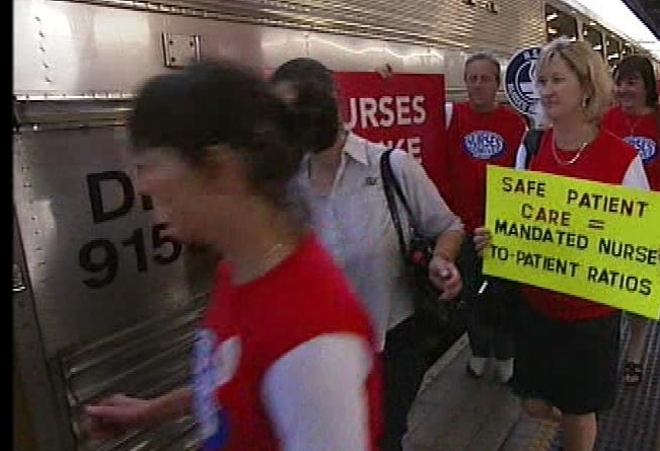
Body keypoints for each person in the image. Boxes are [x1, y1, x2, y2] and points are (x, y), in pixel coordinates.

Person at [84, 61, 381, 450]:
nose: (141, 184)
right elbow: (236, 381)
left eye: (149, 165)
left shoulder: (311, 338)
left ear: (219, 169)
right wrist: (150, 411)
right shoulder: (240, 271)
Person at [473, 38, 660, 451]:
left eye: (557, 80)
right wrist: (493, 238)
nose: (546, 90)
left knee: (578, 412)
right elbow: (517, 221)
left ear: (586, 88)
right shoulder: (533, 145)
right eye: (542, 81)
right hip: (536, 309)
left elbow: (645, 238)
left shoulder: (621, 158)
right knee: (534, 405)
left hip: (590, 318)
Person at [269, 58, 464, 451]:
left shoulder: (391, 167)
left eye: (306, 106)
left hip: (392, 345)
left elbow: (448, 225)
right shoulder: (287, 188)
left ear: (335, 102)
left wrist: (443, 261)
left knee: (383, 437)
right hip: (320, 354)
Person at [444, 52, 528, 382]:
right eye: (472, 78)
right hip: (462, 227)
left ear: (497, 84)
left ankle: (506, 353)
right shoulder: (451, 116)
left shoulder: (514, 125)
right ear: (464, 82)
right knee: (471, 294)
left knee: (504, 294)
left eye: (486, 79)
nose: (478, 86)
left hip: (500, 229)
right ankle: (479, 350)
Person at [600, 55, 660, 384]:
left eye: (631, 82)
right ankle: (607, 348)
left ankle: (635, 352)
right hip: (611, 216)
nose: (623, 89)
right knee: (608, 286)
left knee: (640, 290)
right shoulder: (605, 118)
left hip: (653, 219)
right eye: (619, 82)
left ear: (647, 85)